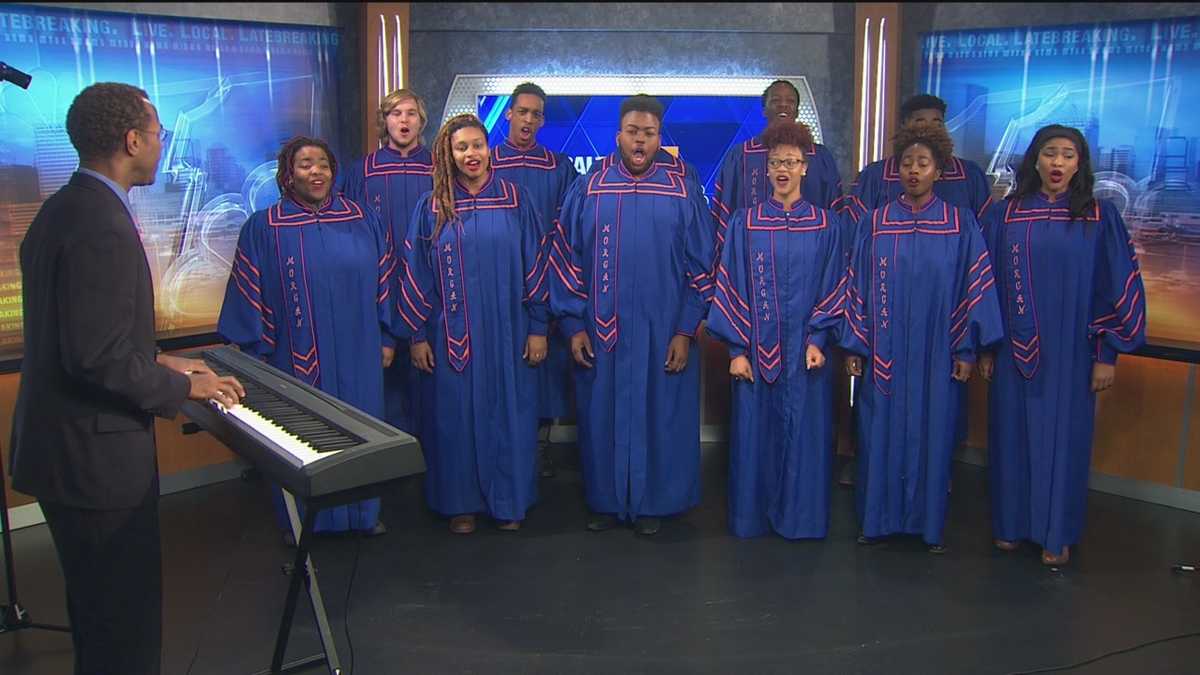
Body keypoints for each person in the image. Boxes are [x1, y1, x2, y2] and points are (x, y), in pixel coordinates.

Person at [9, 82, 244, 675]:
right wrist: (183, 387)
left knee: (100, 620)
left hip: (65, 452)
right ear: (131, 139)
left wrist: (161, 360)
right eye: (158, 132)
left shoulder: (67, 208)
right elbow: (96, 359)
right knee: (124, 633)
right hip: (95, 463)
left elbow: (84, 336)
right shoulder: (101, 225)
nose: (163, 143)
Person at [549, 95, 716, 536]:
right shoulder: (591, 185)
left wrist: (685, 329)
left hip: (662, 328)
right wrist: (573, 325)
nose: (640, 141)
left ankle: (653, 505)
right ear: (618, 134)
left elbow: (703, 264)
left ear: (660, 137)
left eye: (650, 133)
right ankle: (607, 501)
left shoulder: (682, 185)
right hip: (604, 328)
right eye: (633, 132)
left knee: (660, 415)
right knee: (603, 415)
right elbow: (566, 257)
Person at [980, 124, 1146, 567]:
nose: (1057, 163)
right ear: (1035, 160)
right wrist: (984, 345)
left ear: (1080, 164)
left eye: (1067, 155)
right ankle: (1011, 525)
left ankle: (1056, 533)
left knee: (1064, 442)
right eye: (1050, 153)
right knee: (1011, 436)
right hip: (1014, 349)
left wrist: (1106, 354)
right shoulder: (1006, 215)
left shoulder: (1098, 216)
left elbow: (1115, 284)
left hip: (1073, 352)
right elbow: (982, 284)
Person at [218, 136, 395, 540]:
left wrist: (388, 336)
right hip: (294, 355)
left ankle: (363, 515)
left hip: (359, 350)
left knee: (361, 428)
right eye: (305, 164)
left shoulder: (362, 218)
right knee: (303, 434)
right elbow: (250, 291)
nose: (315, 172)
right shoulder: (265, 226)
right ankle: (303, 523)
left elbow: (386, 280)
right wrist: (255, 350)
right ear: (287, 174)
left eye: (323, 164)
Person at [838, 123, 1003, 553]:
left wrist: (968, 347)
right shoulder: (875, 223)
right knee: (877, 435)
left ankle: (928, 528)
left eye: (923, 163)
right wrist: (855, 345)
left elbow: (975, 290)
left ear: (938, 170)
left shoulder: (958, 223)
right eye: (907, 163)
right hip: (883, 352)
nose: (913, 170)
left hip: (937, 352)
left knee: (933, 435)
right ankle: (875, 522)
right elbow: (856, 284)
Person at [394, 114, 550, 534]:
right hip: (451, 334)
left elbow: (535, 263)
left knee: (510, 414)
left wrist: (538, 326)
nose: (470, 154)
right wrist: (418, 336)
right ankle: (459, 503)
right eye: (461, 147)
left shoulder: (515, 199)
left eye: (477, 145)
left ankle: (509, 500)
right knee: (454, 418)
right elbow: (417, 275)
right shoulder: (432, 207)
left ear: (488, 148)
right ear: (448, 153)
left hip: (508, 330)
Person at [705, 121, 847, 539]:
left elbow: (835, 281)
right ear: (765, 170)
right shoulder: (743, 225)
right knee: (754, 436)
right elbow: (729, 284)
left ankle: (800, 520)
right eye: (776, 162)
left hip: (806, 354)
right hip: (754, 350)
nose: (783, 168)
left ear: (806, 168)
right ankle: (752, 519)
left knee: (805, 435)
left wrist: (819, 338)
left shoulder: (825, 226)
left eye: (792, 162)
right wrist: (736, 351)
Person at [489, 82, 581, 478]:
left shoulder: (557, 167)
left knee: (542, 374)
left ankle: (538, 449)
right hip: (493, 283)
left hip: (544, 283)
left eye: (536, 114)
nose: (528, 119)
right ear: (508, 113)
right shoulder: (485, 163)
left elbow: (569, 230)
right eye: (522, 111)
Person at [341, 88, 433, 436]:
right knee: (383, 387)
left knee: (427, 383)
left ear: (422, 121)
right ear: (385, 121)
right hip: (379, 290)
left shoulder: (438, 168)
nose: (404, 120)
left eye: (411, 113)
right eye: (396, 113)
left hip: (430, 292)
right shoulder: (362, 171)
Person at [712, 80, 844, 248]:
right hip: (753, 255)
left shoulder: (819, 157)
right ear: (764, 110)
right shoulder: (740, 157)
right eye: (775, 101)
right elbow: (724, 216)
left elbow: (835, 215)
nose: (783, 106)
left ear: (797, 110)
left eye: (790, 102)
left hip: (808, 254)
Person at [837, 93, 993, 221]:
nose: (930, 129)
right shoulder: (875, 176)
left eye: (937, 123)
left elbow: (986, 229)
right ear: (905, 125)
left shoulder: (970, 175)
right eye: (921, 121)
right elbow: (855, 229)